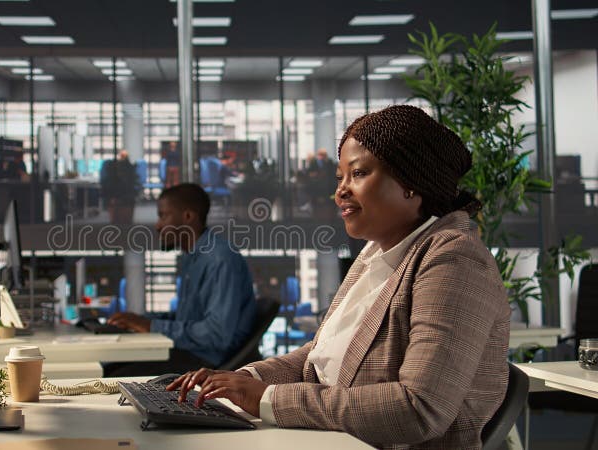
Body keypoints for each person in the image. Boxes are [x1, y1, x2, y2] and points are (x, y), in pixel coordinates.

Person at [167, 105, 510, 449]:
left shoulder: (454, 259)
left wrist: (268, 399)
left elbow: (420, 408)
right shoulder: (374, 254)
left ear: (411, 183)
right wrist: (242, 379)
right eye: (339, 178)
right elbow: (317, 358)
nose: (341, 191)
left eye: (358, 174)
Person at [104, 183, 257, 376]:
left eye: (163, 216)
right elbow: (188, 319)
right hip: (191, 353)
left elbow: (216, 334)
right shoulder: (192, 257)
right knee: (109, 367)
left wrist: (151, 326)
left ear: (187, 217)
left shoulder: (219, 259)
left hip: (207, 363)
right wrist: (141, 321)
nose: (158, 226)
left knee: (113, 376)